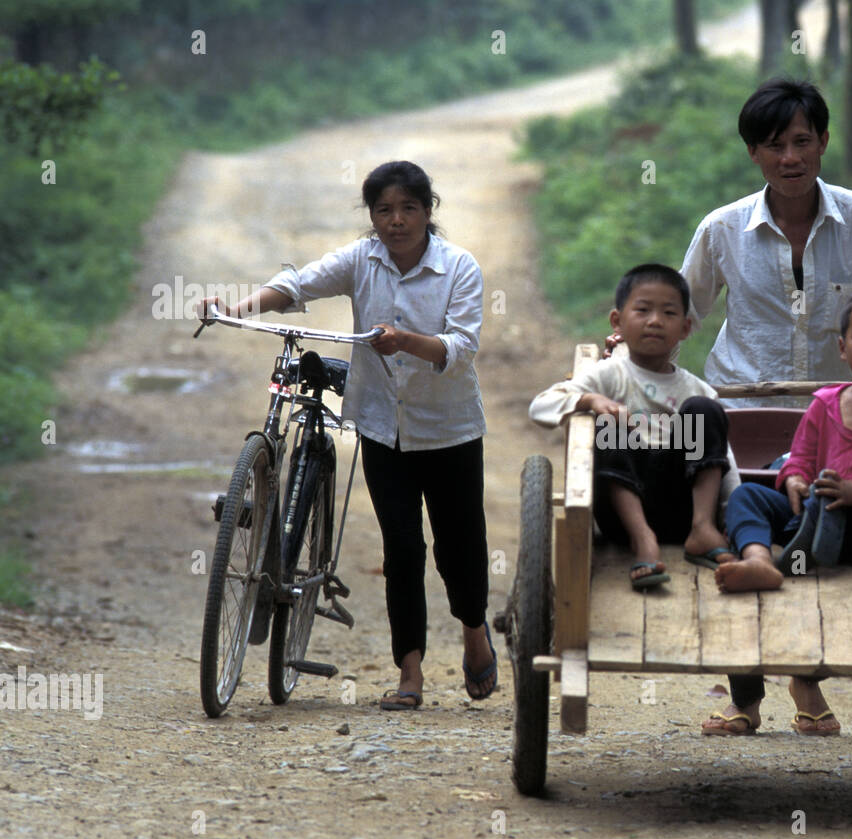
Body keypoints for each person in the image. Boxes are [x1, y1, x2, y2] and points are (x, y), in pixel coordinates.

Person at [198, 160, 497, 711]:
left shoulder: (459, 267)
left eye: (408, 208)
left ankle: (475, 631)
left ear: (429, 211)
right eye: (384, 210)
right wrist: (232, 310)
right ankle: (410, 673)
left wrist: (407, 340)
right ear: (372, 217)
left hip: (450, 429)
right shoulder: (362, 260)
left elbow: (460, 348)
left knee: (459, 548)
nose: (396, 220)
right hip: (384, 429)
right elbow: (296, 284)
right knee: (402, 549)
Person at [702, 289, 852, 736]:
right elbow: (799, 459)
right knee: (748, 497)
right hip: (810, 524)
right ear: (842, 348)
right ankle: (756, 559)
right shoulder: (826, 403)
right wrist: (792, 479)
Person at [605, 78, 852, 408]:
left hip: (838, 414)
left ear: (822, 142)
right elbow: (683, 309)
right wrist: (635, 347)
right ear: (754, 152)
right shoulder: (721, 229)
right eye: (775, 147)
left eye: (802, 141)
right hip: (741, 407)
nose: (790, 158)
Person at [529, 264, 738, 588]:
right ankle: (643, 540)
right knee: (609, 424)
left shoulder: (697, 389)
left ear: (684, 328)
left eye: (668, 313)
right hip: (623, 511)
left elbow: (724, 460)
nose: (655, 321)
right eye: (642, 310)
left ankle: (702, 528)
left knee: (704, 410)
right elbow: (540, 405)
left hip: (683, 505)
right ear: (618, 322)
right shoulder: (610, 374)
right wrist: (591, 401)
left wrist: (732, 519)